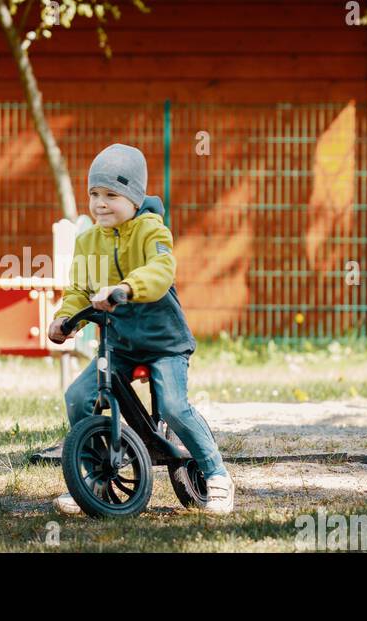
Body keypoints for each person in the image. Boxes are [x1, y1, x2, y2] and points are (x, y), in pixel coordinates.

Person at [48, 143, 234, 515]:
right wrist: (65, 319)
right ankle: (93, 478)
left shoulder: (152, 232)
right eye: (94, 194)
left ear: (134, 198)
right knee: (79, 396)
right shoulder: (88, 241)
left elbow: (161, 272)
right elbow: (79, 289)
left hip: (164, 341)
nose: (100, 203)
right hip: (119, 344)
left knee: (174, 407)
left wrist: (127, 288)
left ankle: (217, 476)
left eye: (111, 195)